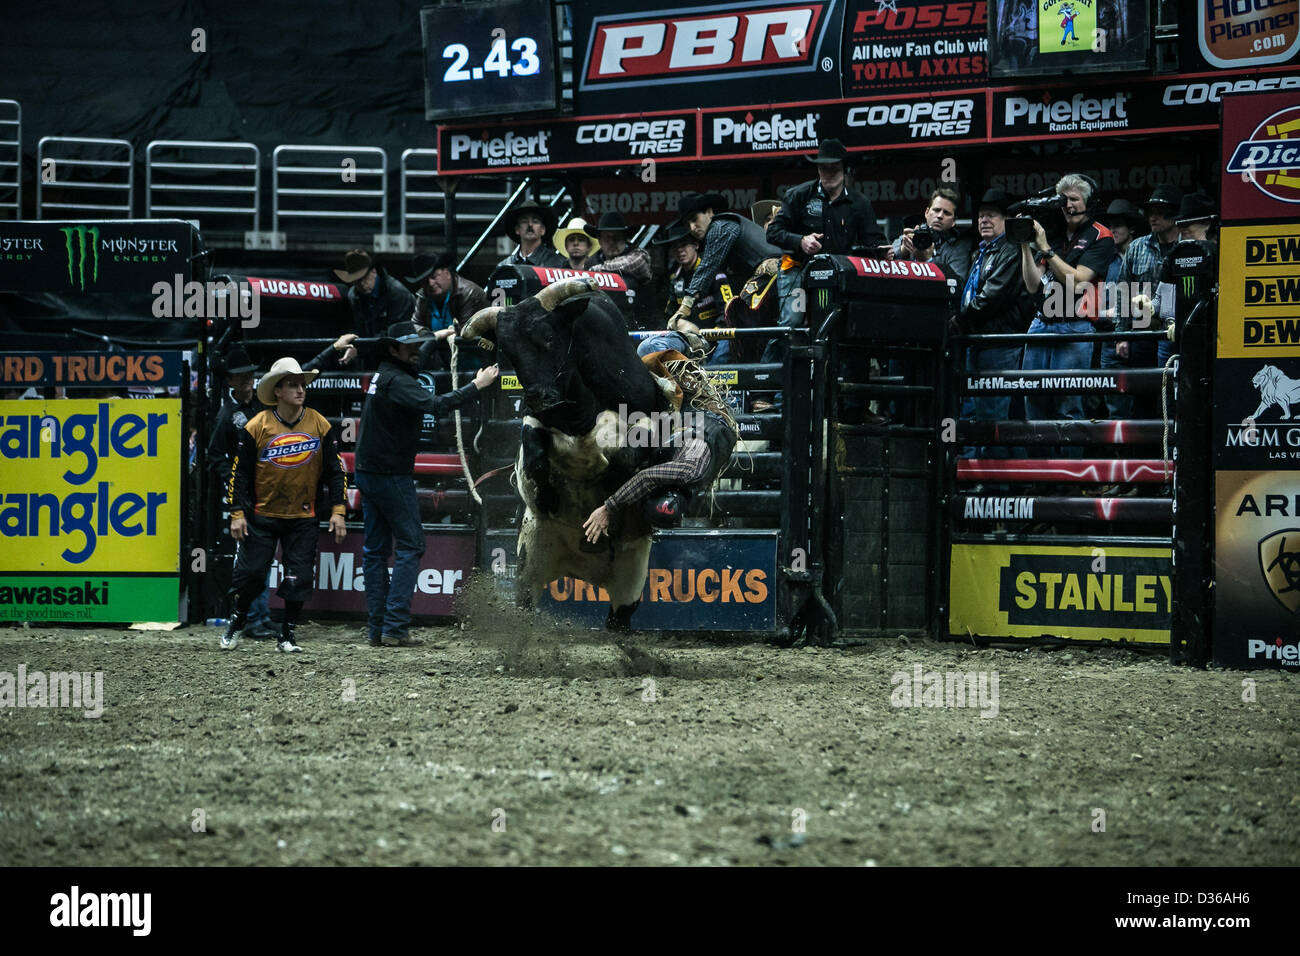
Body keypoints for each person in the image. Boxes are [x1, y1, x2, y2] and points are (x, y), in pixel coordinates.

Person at [354, 321, 500, 647]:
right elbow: (436, 405)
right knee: (411, 545)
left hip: (369, 471)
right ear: (394, 349)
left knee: (376, 550)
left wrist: (440, 336)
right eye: (410, 347)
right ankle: (394, 626)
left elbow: (417, 351)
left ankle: (379, 628)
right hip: (390, 474)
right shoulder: (401, 383)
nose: (417, 351)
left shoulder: (385, 372)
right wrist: (477, 385)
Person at [222, 357, 347, 653]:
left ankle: (287, 634)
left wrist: (338, 510)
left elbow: (336, 470)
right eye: (292, 384)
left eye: (302, 384)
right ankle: (239, 617)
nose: (300, 390)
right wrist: (237, 512)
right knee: (252, 576)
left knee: (299, 576)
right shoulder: (257, 426)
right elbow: (239, 472)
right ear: (277, 391)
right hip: (262, 514)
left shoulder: (319, 424)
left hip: (303, 515)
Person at [582, 350, 739, 542]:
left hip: (692, 423)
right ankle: (682, 337)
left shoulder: (685, 478)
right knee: (648, 354)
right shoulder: (688, 471)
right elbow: (646, 477)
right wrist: (608, 508)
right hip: (697, 405)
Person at [765, 139, 887, 363]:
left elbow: (875, 242)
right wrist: (801, 241)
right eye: (824, 168)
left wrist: (884, 252)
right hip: (798, 270)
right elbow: (773, 232)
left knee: (841, 324)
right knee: (791, 322)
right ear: (817, 168)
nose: (828, 173)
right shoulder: (799, 195)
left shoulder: (859, 203)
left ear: (844, 169)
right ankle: (764, 390)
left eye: (834, 168)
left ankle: (834, 385)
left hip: (838, 276)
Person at [1019, 173, 1115, 453]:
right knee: (1033, 402)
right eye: (1064, 200)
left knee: (1068, 406)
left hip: (1075, 327)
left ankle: (1070, 482)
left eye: (1074, 199)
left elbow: (1078, 280)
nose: (1068, 205)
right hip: (1041, 324)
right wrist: (1025, 244)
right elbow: (1032, 283)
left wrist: (1046, 249)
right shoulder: (1054, 230)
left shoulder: (1101, 235)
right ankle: (1040, 480)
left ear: (1090, 202)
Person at [206, 345, 276, 640]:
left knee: (261, 556)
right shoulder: (228, 416)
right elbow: (215, 455)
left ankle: (257, 616)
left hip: (266, 488)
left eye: (248, 374)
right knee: (255, 557)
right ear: (231, 381)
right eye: (240, 376)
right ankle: (255, 617)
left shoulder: (260, 404)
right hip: (250, 492)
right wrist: (235, 482)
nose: (247, 379)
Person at [958, 189, 1034, 459]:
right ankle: (978, 472)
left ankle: (995, 481)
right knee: (975, 411)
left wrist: (958, 320)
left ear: (1006, 219)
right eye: (980, 216)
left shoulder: (1010, 249)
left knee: (994, 414)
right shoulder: (982, 251)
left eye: (991, 215)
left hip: (999, 342)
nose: (984, 220)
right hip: (978, 340)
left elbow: (993, 297)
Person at [1105, 186, 1181, 418]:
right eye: (1150, 211)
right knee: (1142, 393)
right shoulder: (1138, 247)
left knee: (1170, 393)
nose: (1153, 217)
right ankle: (1144, 449)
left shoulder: (1187, 247)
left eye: (1160, 211)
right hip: (1141, 331)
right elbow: (1123, 291)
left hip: (1173, 331)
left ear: (1174, 214)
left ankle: (1171, 446)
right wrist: (1122, 335)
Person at [672, 191, 781, 334]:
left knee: (740, 319)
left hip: (775, 274)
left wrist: (685, 305)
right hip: (775, 280)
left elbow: (707, 267)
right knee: (765, 331)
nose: (692, 227)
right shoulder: (719, 232)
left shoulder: (720, 226)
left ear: (709, 212)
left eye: (694, 219)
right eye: (688, 225)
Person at [655, 219, 733, 364]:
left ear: (696, 245)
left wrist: (713, 335)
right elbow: (669, 314)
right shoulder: (675, 279)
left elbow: (728, 310)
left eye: (684, 245)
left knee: (722, 351)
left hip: (718, 336)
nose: (679, 250)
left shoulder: (713, 273)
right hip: (691, 340)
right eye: (675, 247)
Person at [405, 252, 488, 370]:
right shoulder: (423, 296)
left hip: (474, 361)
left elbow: (467, 332)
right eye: (424, 280)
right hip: (441, 361)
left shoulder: (470, 293)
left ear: (447, 273)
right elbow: (416, 323)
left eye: (434, 277)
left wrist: (434, 338)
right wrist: (431, 336)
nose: (430, 283)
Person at [892, 188, 974, 285]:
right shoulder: (908, 237)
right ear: (926, 212)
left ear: (954, 221)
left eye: (946, 213)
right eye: (936, 210)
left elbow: (956, 285)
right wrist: (902, 252)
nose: (939, 216)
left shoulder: (958, 248)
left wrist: (928, 261)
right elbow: (885, 272)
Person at [335, 249, 415, 341]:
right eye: (356, 280)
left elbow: (397, 332)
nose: (361, 284)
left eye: (364, 277)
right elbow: (357, 328)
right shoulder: (353, 296)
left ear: (374, 271)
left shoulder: (398, 293)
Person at [584, 212, 652, 286]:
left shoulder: (639, 256)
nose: (612, 242)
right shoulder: (590, 262)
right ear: (599, 240)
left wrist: (595, 271)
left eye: (617, 237)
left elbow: (633, 263)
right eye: (607, 237)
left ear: (625, 239)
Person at [496, 201, 566, 270]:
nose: (530, 224)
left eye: (535, 221)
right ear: (517, 229)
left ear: (543, 230)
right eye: (524, 221)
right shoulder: (504, 266)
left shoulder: (558, 264)